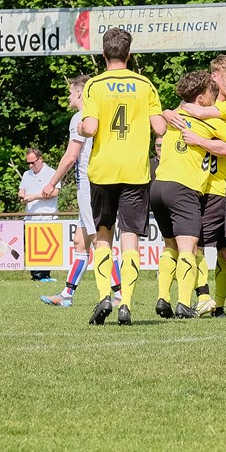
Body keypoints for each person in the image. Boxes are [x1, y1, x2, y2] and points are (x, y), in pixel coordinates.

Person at [152, 71, 226, 319]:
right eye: (211, 97)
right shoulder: (211, 121)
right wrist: (202, 139)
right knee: (191, 247)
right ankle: (183, 304)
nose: (214, 102)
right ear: (201, 99)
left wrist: (167, 112)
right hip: (185, 188)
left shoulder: (173, 116)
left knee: (171, 246)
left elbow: (158, 120)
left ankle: (163, 298)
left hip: (158, 186)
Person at [81, 27, 166, 326]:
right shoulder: (145, 85)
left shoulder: (94, 85)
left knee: (102, 236)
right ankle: (126, 303)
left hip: (103, 170)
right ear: (129, 54)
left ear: (103, 54)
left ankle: (105, 293)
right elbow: (161, 128)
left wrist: (80, 127)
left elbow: (90, 128)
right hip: (135, 171)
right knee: (131, 240)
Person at [39, 76, 121, 308]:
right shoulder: (101, 117)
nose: (68, 97)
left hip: (89, 184)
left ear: (79, 94)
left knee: (99, 241)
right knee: (80, 243)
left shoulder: (80, 117)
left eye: (70, 92)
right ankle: (67, 294)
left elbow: (70, 157)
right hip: (98, 183)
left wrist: (52, 182)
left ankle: (119, 293)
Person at [18, 147, 59, 282]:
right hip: (30, 218)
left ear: (40, 159)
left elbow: (55, 192)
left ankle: (44, 275)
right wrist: (23, 197)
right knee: (31, 248)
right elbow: (21, 191)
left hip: (47, 216)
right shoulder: (26, 174)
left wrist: (34, 197)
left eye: (33, 163)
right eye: (28, 163)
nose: (31, 166)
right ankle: (36, 276)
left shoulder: (52, 173)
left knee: (46, 247)